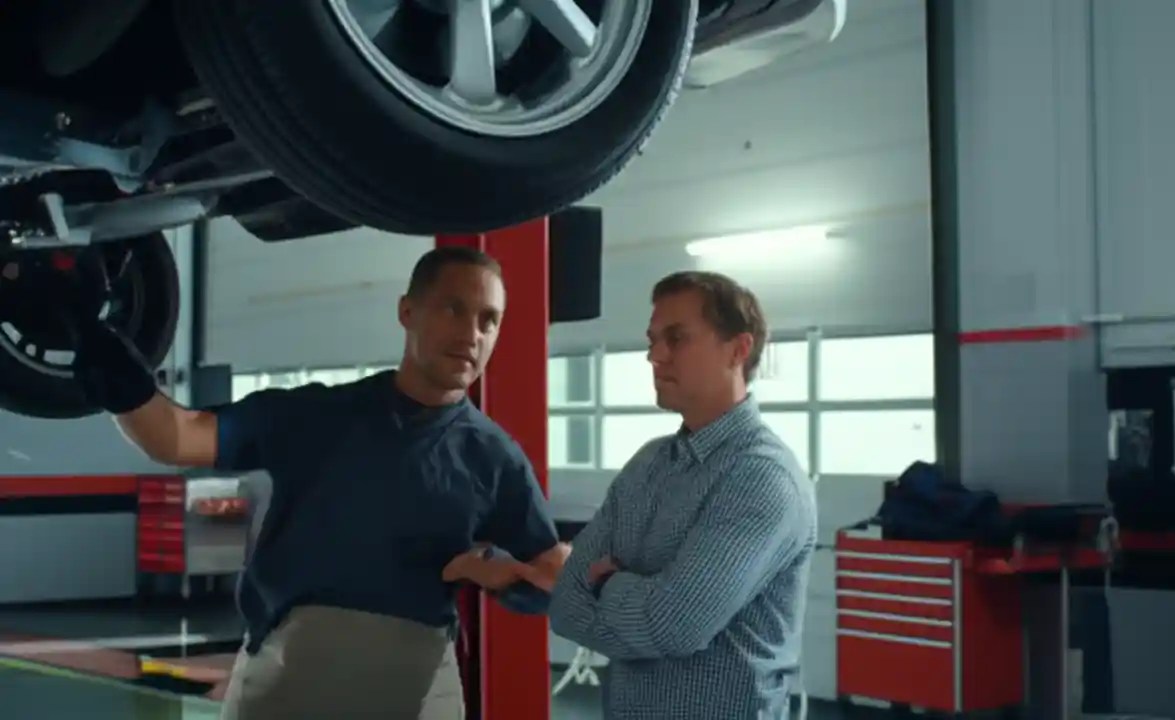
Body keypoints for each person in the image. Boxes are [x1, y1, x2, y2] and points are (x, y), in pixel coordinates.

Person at [69, 246, 567, 719]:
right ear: (408, 312)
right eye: (453, 309)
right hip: (291, 674)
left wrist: (504, 576)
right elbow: (175, 439)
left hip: (417, 685)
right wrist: (91, 341)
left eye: (489, 320)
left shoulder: (495, 458)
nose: (472, 333)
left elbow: (547, 577)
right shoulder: (315, 415)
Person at [547, 270, 818, 719]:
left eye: (676, 338)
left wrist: (607, 583)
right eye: (652, 340)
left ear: (738, 349)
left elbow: (673, 626)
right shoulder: (647, 465)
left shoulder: (761, 477)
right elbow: (567, 607)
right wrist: (639, 602)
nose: (655, 355)